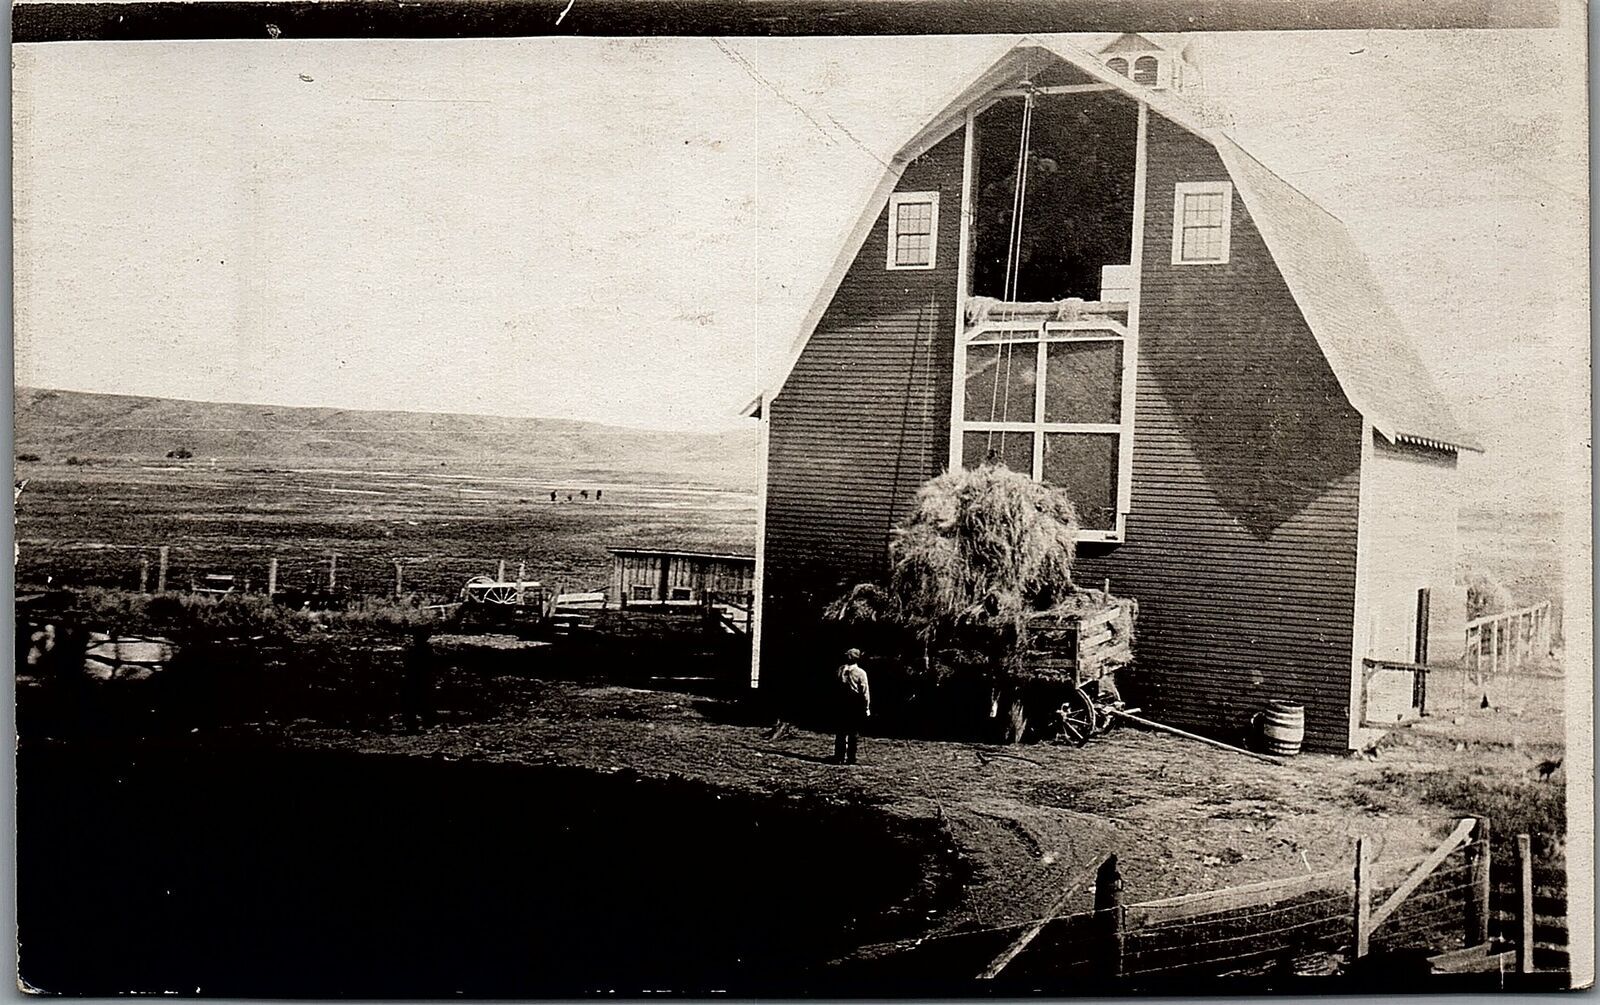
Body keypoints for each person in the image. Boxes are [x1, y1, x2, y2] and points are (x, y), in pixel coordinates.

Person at [832, 648, 871, 765]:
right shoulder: (860, 672)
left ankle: (841, 757)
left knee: (843, 732)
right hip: (852, 703)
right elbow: (865, 691)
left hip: (845, 703)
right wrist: (866, 707)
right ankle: (848, 758)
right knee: (850, 732)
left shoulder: (841, 670)